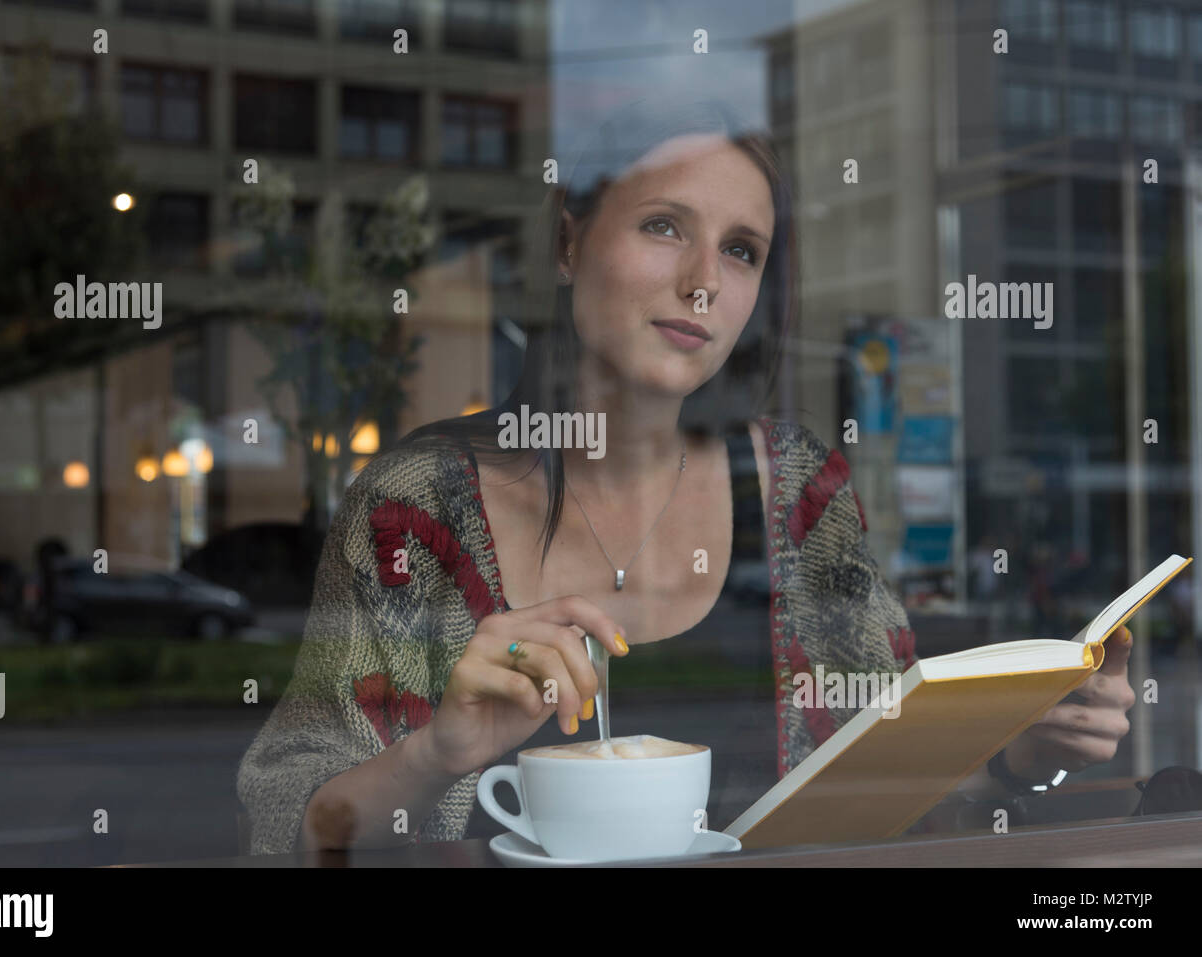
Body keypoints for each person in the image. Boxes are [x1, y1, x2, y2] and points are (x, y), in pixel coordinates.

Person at [237, 97, 1136, 855]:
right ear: (566, 243)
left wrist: (1024, 750)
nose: (704, 283)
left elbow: (887, 784)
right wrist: (438, 751)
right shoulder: (415, 503)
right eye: (664, 226)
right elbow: (290, 831)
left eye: (742, 250)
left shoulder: (797, 489)